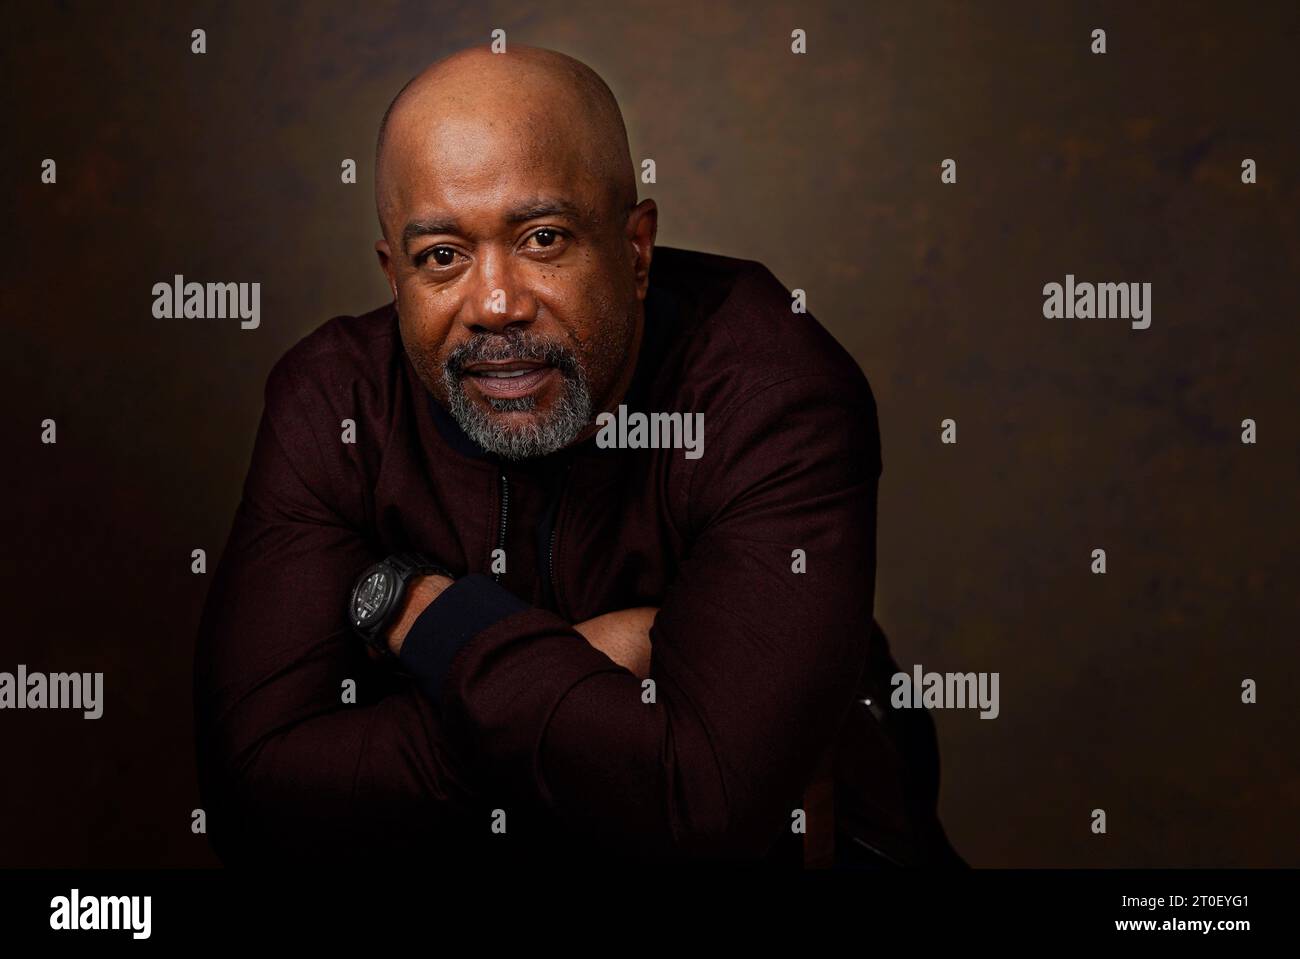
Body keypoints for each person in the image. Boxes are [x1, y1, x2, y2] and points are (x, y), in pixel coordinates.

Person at [193, 42, 963, 868]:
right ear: (393, 276)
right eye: (441, 256)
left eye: (543, 238)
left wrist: (428, 617)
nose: (495, 303)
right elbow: (252, 797)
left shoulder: (774, 391)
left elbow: (707, 803)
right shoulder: (331, 400)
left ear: (635, 250)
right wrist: (587, 668)